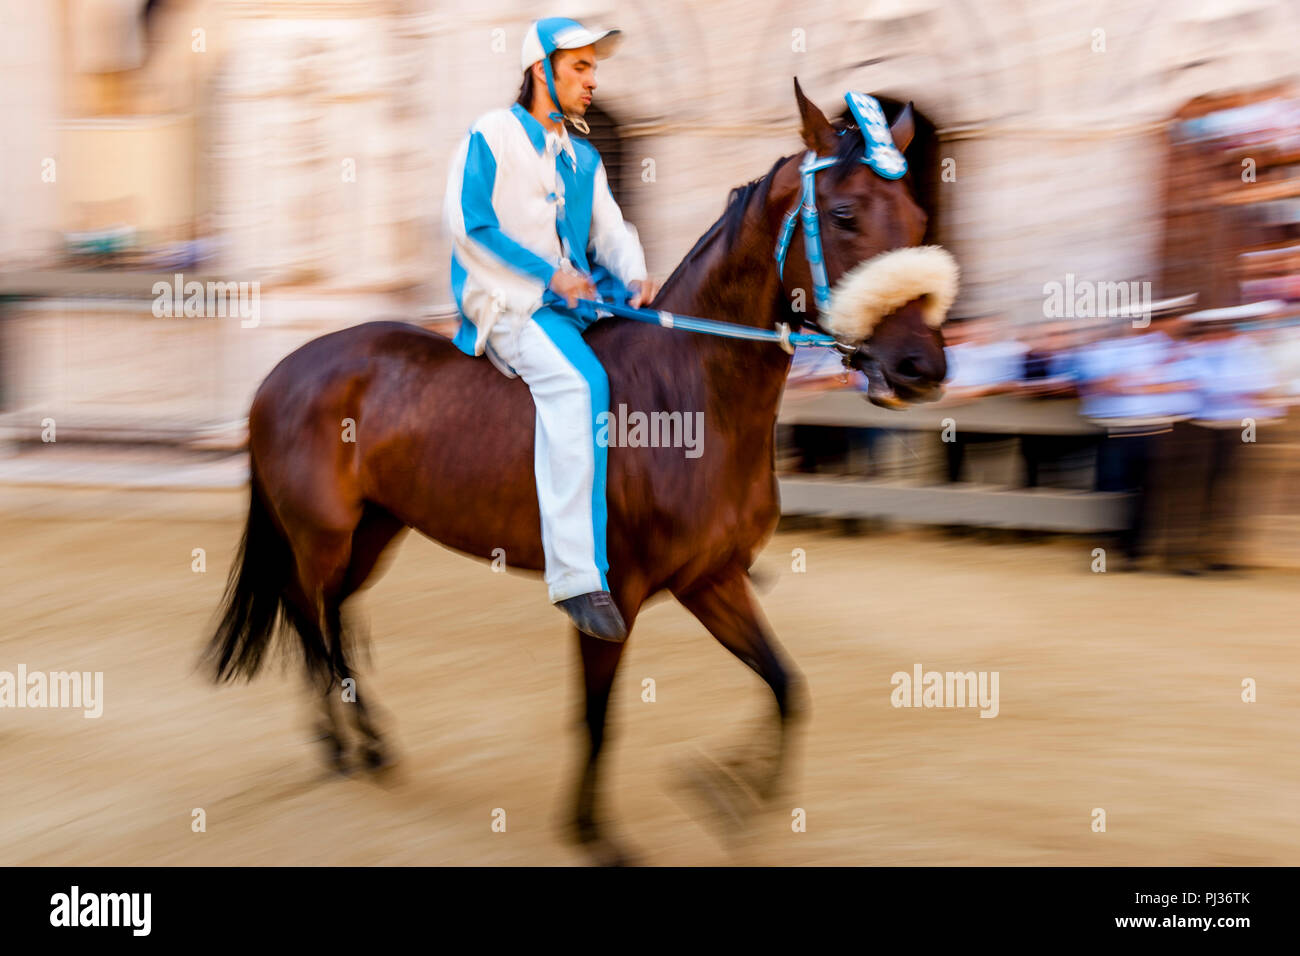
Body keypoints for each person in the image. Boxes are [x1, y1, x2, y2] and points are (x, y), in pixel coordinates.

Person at [443, 17, 659, 642]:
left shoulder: (582, 155)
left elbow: (612, 228)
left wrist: (636, 274)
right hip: (506, 303)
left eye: (595, 67)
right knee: (581, 384)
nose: (593, 80)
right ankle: (574, 578)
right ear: (543, 69)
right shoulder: (490, 134)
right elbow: (469, 224)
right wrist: (549, 277)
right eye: (581, 67)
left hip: (572, 304)